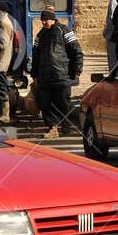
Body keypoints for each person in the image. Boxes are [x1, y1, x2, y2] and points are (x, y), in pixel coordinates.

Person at [31, 8, 83, 138]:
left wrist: (77, 70)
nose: (43, 23)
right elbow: (36, 55)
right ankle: (53, 128)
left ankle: (66, 126)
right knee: (46, 104)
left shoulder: (64, 30)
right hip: (44, 76)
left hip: (62, 75)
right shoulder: (40, 35)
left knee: (63, 102)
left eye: (45, 20)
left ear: (52, 19)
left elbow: (76, 51)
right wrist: (34, 74)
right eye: (42, 20)